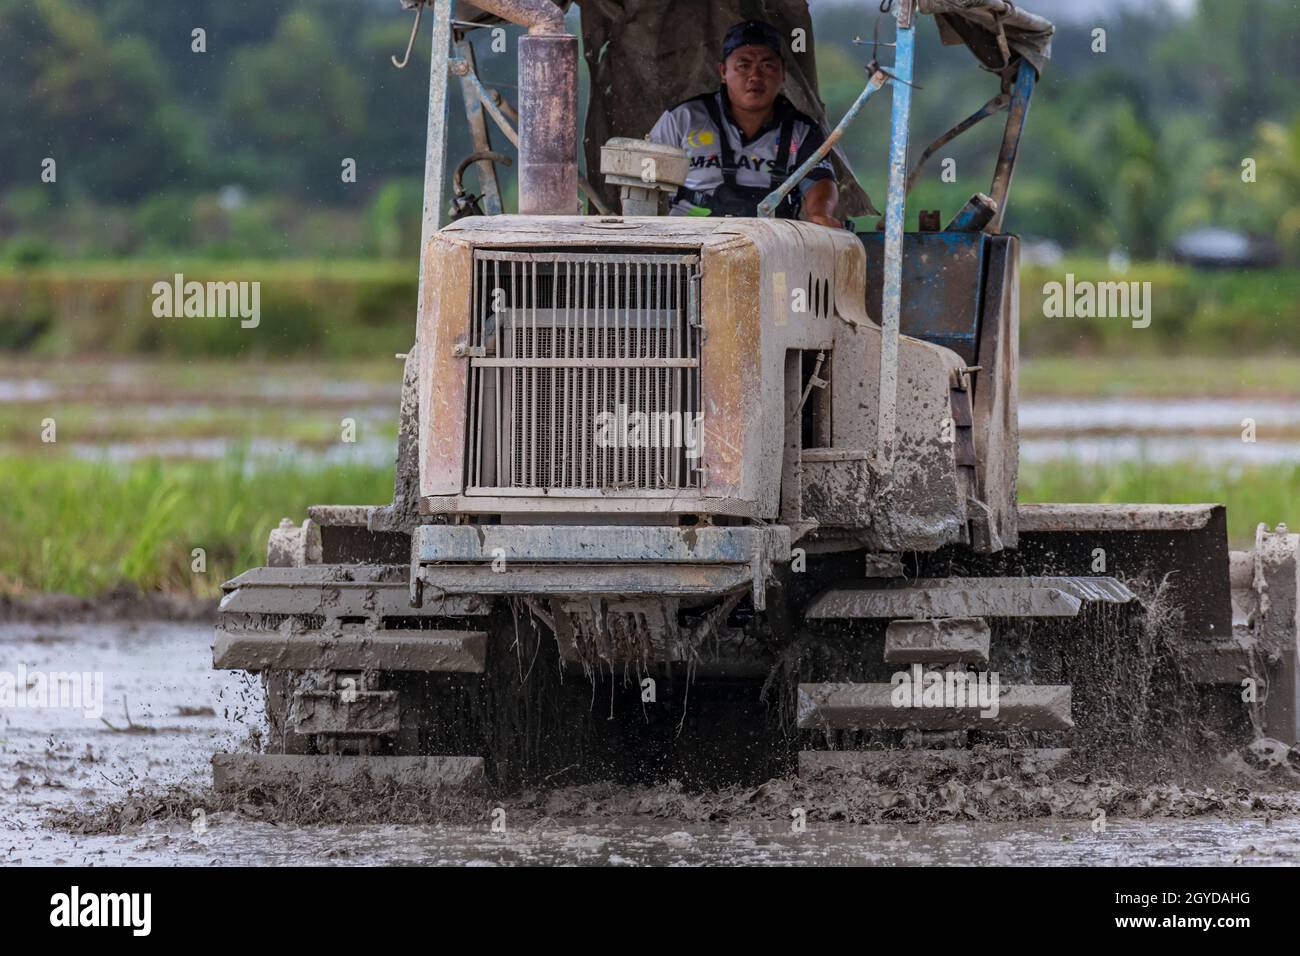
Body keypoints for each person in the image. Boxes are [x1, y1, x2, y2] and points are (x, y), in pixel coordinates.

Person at [647, 18, 840, 226]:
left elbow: (820, 181)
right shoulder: (682, 119)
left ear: (783, 72)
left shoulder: (803, 131)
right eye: (744, 65)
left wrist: (821, 213)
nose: (755, 76)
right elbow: (644, 185)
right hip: (688, 241)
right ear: (723, 72)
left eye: (767, 66)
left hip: (773, 248)